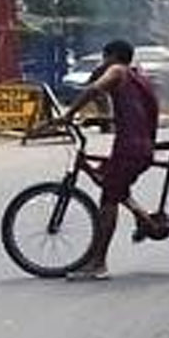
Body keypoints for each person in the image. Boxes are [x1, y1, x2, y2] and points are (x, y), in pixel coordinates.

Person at [60, 40, 162, 280]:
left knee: (108, 199)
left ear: (113, 56)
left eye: (105, 58)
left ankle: (98, 264)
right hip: (141, 145)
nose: (103, 63)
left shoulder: (117, 71)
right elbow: (131, 114)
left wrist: (68, 115)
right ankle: (144, 219)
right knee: (112, 182)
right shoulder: (136, 77)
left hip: (130, 148)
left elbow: (93, 90)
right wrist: (101, 119)